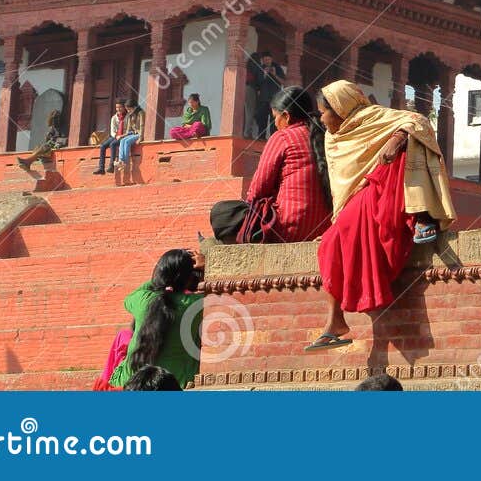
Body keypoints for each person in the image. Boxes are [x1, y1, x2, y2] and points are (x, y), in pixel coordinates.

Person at [303, 80, 455, 352]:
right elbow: (343, 182)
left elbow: (418, 120)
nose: (321, 118)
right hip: (359, 197)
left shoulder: (373, 117)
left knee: (412, 136)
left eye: (324, 112)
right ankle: (335, 322)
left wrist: (396, 140)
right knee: (329, 245)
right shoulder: (332, 136)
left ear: (340, 108)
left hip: (385, 189)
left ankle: (421, 217)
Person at [210, 86, 330, 244]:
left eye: (275, 117)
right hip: (326, 228)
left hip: (288, 228)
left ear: (286, 116)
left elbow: (258, 189)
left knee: (222, 212)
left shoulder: (282, 137)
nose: (275, 123)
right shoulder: (327, 137)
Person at [108, 249, 205, 390]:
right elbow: (221, 294)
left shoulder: (142, 300)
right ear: (189, 277)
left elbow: (130, 297)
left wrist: (163, 274)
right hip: (173, 385)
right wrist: (207, 268)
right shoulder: (196, 305)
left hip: (126, 384)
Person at [247, 51, 285, 139]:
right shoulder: (259, 68)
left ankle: (273, 139)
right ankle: (261, 138)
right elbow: (256, 84)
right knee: (262, 120)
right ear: (262, 60)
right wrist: (264, 75)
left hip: (274, 99)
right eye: (265, 60)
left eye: (268, 59)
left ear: (271, 59)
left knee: (274, 121)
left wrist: (275, 75)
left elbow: (283, 82)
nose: (267, 61)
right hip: (263, 99)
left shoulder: (277, 67)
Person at [94, 101, 128, 175]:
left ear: (124, 107)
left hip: (125, 136)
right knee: (102, 146)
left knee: (112, 144)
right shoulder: (114, 118)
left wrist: (121, 136)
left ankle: (111, 165)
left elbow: (129, 129)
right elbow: (112, 131)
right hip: (116, 136)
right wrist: (116, 136)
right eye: (117, 107)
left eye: (120, 107)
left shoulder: (128, 117)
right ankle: (101, 168)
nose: (118, 109)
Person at [115, 103, 145, 174]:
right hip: (133, 133)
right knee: (122, 140)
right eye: (127, 109)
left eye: (129, 109)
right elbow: (128, 130)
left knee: (127, 142)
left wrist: (140, 138)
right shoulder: (130, 116)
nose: (128, 111)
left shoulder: (141, 113)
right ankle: (121, 161)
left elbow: (142, 126)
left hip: (140, 133)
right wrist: (122, 136)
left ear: (134, 107)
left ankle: (125, 162)